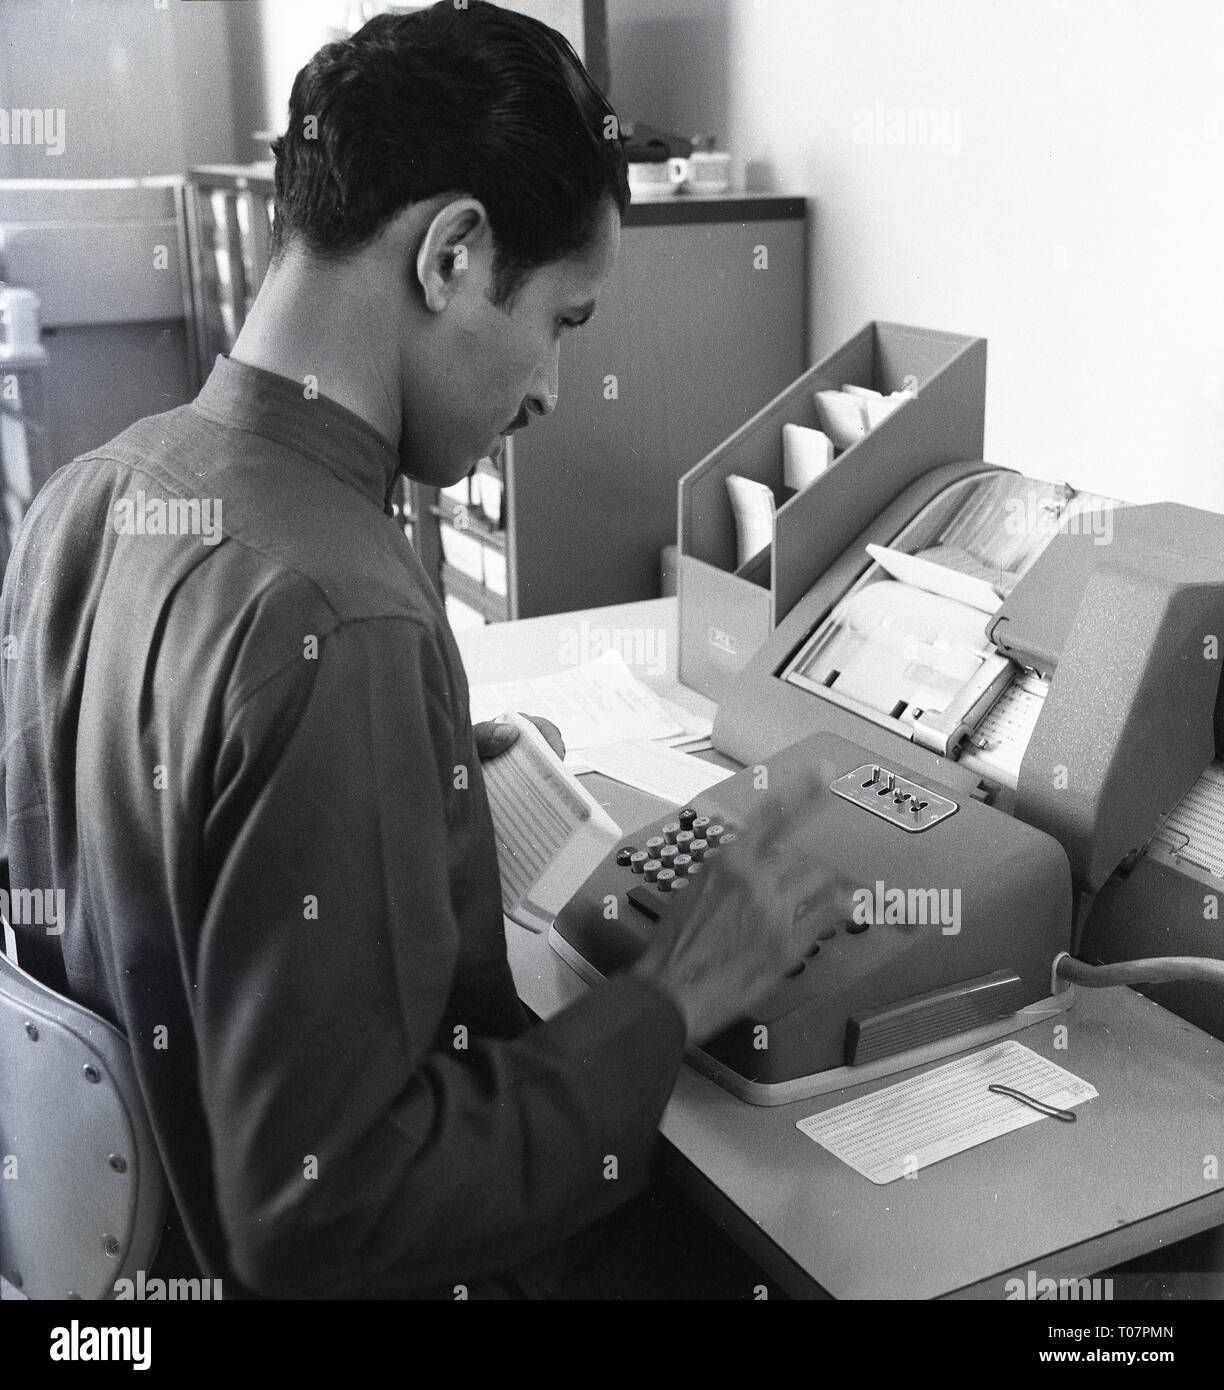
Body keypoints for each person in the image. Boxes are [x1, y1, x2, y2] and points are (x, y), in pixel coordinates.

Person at [0, 1, 840, 1298]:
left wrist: (426, 773)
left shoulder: (89, 498)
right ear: (450, 253)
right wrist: (672, 993)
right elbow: (333, 1213)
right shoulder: (346, 614)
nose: (555, 392)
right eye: (564, 319)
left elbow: (140, 861)